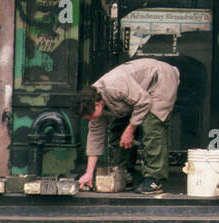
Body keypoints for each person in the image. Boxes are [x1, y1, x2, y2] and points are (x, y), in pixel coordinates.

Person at [75, 58, 180, 194]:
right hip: (137, 94)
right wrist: (89, 173)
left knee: (152, 126)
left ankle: (154, 179)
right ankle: (124, 173)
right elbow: (95, 140)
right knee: (119, 128)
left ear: (97, 105)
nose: (90, 120)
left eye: (89, 116)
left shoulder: (114, 86)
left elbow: (143, 102)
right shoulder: (93, 101)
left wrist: (130, 130)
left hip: (160, 79)